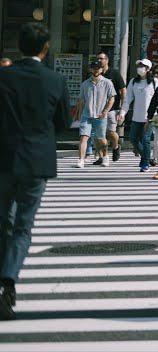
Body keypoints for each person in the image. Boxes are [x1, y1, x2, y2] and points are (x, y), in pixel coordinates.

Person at [0, 22, 70, 321]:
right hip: (37, 161)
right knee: (23, 227)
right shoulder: (55, 80)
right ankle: (9, 279)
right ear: (45, 48)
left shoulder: (3, 77)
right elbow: (64, 123)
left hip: (4, 159)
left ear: (19, 45)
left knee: (3, 221)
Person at [74, 58, 116, 168]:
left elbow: (112, 98)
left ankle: (105, 157)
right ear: (90, 69)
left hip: (100, 115)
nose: (96, 70)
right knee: (84, 137)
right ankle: (81, 160)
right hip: (86, 115)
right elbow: (82, 100)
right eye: (94, 68)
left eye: (98, 68)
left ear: (101, 70)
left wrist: (105, 112)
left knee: (101, 139)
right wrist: (79, 113)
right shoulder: (85, 84)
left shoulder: (108, 83)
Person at [122, 60, 158, 172]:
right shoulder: (133, 82)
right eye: (139, 66)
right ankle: (146, 157)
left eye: (143, 66)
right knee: (133, 138)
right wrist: (123, 112)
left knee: (145, 139)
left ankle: (145, 163)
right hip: (136, 117)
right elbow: (128, 98)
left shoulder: (154, 82)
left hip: (149, 117)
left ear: (148, 69)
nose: (140, 68)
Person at [96, 53, 126, 163]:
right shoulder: (95, 73)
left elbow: (123, 90)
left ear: (107, 60)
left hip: (112, 108)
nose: (99, 60)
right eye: (97, 58)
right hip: (98, 108)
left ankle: (115, 147)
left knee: (110, 132)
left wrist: (122, 108)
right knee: (98, 134)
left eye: (101, 58)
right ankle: (101, 156)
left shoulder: (114, 74)